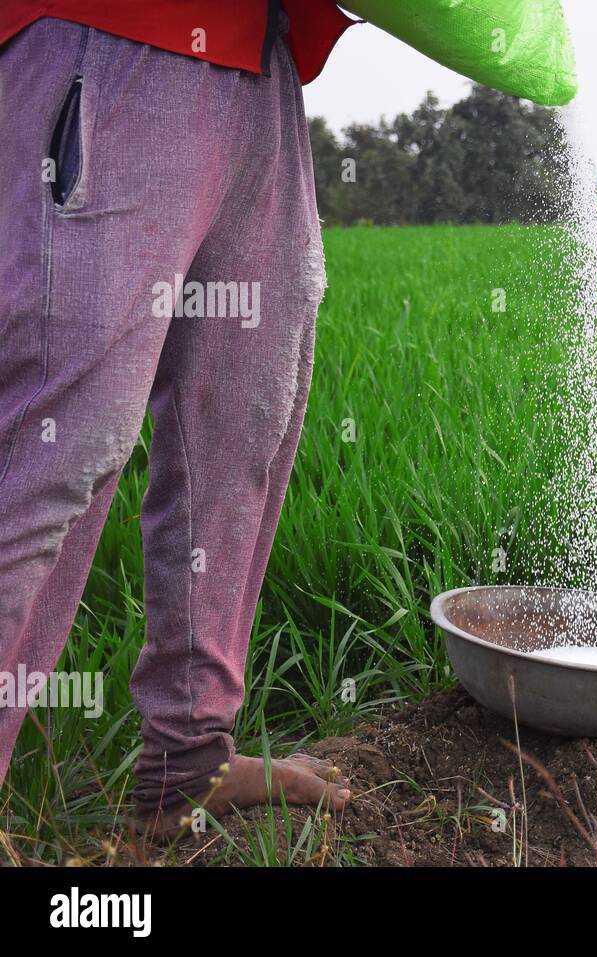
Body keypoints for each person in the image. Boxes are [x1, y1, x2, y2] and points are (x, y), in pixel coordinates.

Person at [0, 1, 357, 833]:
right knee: (57, 443)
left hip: (264, 71)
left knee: (243, 427)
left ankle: (187, 759)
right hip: (114, 37)